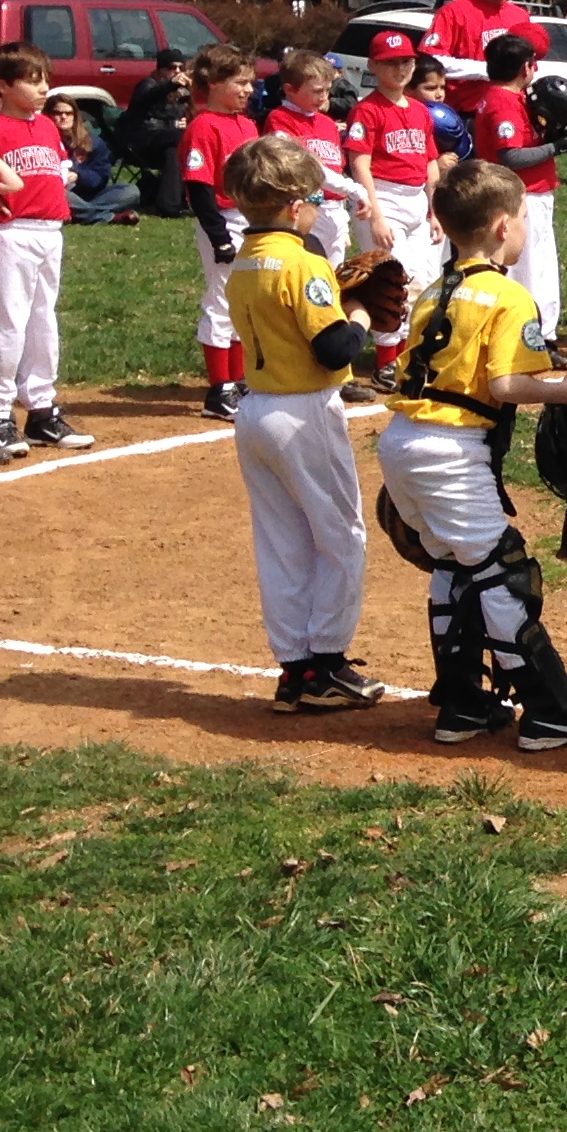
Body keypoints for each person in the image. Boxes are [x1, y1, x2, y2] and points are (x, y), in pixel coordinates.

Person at [377, 161, 567, 749]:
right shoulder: (510, 296)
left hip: (402, 443)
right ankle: (551, 711)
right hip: (450, 450)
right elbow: (508, 385)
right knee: (503, 574)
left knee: (455, 569)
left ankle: (463, 705)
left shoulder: (435, 291)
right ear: (504, 225)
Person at [219, 132, 385, 713]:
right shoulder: (300, 263)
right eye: (315, 198)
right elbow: (334, 348)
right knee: (341, 536)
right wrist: (360, 315)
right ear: (295, 207)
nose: (318, 207)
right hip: (305, 408)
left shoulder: (245, 257)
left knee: (282, 541)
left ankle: (295, 668)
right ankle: (329, 665)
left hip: (256, 410)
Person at [0, 46, 81, 457]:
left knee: (44, 322)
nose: (44, 89)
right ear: (1, 85)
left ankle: (41, 410)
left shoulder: (45, 128)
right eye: (32, 80)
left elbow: (56, 169)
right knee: (9, 323)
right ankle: (0, 414)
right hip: (11, 232)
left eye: (45, 79)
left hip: (49, 229)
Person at [344, 32, 442, 381]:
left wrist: (434, 210)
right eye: (390, 62)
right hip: (382, 195)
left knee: (421, 281)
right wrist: (376, 214)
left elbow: (431, 164)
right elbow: (360, 165)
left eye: (406, 61)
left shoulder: (419, 110)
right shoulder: (367, 110)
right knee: (391, 280)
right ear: (373, 66)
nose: (400, 68)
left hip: (416, 198)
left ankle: (407, 355)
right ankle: (386, 361)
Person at [182, 45, 264, 421]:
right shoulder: (204, 125)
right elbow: (198, 186)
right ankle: (219, 389)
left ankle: (239, 377)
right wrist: (219, 236)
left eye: (250, 82)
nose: (248, 90)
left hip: (250, 219)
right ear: (213, 84)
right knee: (221, 300)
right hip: (223, 219)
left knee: (245, 302)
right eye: (239, 83)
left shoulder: (247, 125)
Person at [469, 34, 564, 337]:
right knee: (529, 269)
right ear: (526, 67)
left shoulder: (505, 97)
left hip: (527, 193)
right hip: (520, 195)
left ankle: (541, 332)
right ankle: (530, 335)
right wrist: (554, 148)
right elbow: (510, 155)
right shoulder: (503, 102)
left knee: (540, 265)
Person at [261, 56, 365, 265]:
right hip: (305, 207)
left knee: (333, 276)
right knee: (307, 271)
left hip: (334, 207)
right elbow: (309, 168)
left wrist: (343, 223)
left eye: (327, 90)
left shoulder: (327, 123)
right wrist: (354, 189)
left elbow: (336, 166)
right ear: (290, 89)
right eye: (317, 91)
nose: (324, 97)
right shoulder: (280, 119)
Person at [426, 0, 548, 111]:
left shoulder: (520, 16)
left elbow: (529, 68)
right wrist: (488, 70)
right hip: (467, 116)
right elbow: (431, 62)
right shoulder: (453, 13)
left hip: (511, 112)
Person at [114, 55, 192, 219]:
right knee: (180, 138)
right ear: (160, 70)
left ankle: (171, 204)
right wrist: (172, 84)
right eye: (171, 67)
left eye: (181, 68)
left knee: (174, 150)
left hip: (164, 144)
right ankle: (172, 203)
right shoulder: (147, 85)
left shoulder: (179, 93)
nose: (177, 71)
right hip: (138, 142)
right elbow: (149, 97)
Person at [54, 100, 135, 228]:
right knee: (57, 193)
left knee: (131, 191)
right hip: (61, 192)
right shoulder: (43, 140)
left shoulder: (93, 141)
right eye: (57, 113)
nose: (63, 117)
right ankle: (109, 217)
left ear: (75, 116)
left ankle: (80, 212)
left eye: (68, 113)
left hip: (88, 194)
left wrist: (79, 176)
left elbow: (101, 176)